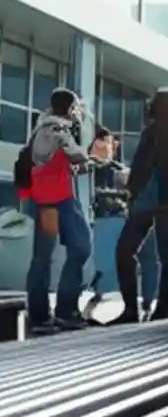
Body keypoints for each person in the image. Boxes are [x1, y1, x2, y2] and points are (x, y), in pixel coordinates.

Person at [114, 89, 168, 324]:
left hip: (148, 203)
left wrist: (130, 194)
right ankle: (161, 311)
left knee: (125, 252)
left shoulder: (153, 133)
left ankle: (131, 310)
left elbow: (139, 169)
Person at [19, 88, 93, 334]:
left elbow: (55, 161)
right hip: (51, 201)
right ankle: (51, 314)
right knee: (62, 251)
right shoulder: (54, 127)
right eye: (76, 108)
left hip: (57, 198)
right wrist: (88, 159)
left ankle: (52, 313)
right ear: (70, 107)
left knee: (56, 252)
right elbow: (65, 156)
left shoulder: (48, 127)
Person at [85, 128, 159, 321]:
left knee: (145, 257)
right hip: (103, 221)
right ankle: (135, 304)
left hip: (126, 218)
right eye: (99, 142)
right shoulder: (87, 168)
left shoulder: (119, 170)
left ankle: (145, 303)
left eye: (107, 142)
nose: (103, 146)